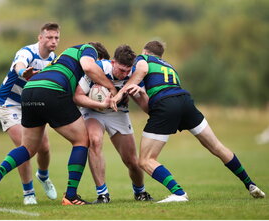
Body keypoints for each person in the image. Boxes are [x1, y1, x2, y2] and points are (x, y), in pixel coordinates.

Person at [110, 40, 266, 203]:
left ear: (146, 52)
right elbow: (151, 107)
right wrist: (140, 94)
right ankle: (251, 185)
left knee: (145, 160)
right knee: (217, 147)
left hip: (166, 104)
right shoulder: (170, 67)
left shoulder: (144, 59)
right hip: (185, 101)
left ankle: (178, 193)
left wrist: (120, 93)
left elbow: (141, 71)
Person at [0, 42, 117, 207]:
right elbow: (89, 67)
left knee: (28, 148)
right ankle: (71, 195)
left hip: (30, 90)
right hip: (52, 90)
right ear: (98, 57)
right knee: (82, 140)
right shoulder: (88, 49)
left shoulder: (64, 58)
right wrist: (111, 87)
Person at [74, 44, 153, 203]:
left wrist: (142, 94)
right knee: (94, 141)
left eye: (127, 71)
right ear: (113, 63)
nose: (124, 74)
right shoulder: (99, 69)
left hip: (118, 114)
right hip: (93, 112)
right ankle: (103, 194)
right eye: (121, 70)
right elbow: (77, 97)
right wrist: (100, 104)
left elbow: (147, 107)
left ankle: (140, 192)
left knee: (131, 160)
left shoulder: (133, 75)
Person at [0, 22, 60, 205]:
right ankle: (28, 193)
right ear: (40, 38)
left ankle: (43, 176)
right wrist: (24, 72)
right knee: (25, 149)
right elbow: (19, 65)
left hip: (30, 103)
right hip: (9, 103)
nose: (53, 41)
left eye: (56, 38)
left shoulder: (53, 58)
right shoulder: (27, 52)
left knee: (45, 148)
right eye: (49, 37)